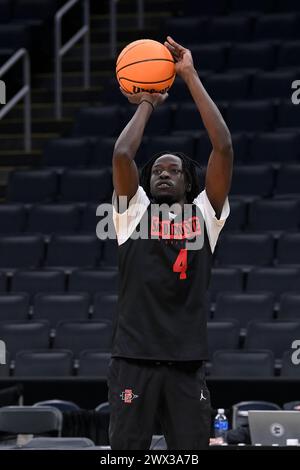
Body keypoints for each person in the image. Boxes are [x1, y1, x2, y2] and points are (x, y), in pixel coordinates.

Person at [107, 36, 233, 450]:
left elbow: (223, 147)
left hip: (185, 362)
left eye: (173, 170)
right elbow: (123, 154)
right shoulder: (130, 214)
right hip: (133, 360)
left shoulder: (206, 215)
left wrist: (190, 76)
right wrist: (150, 99)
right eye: (157, 169)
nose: (163, 173)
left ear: (187, 181)